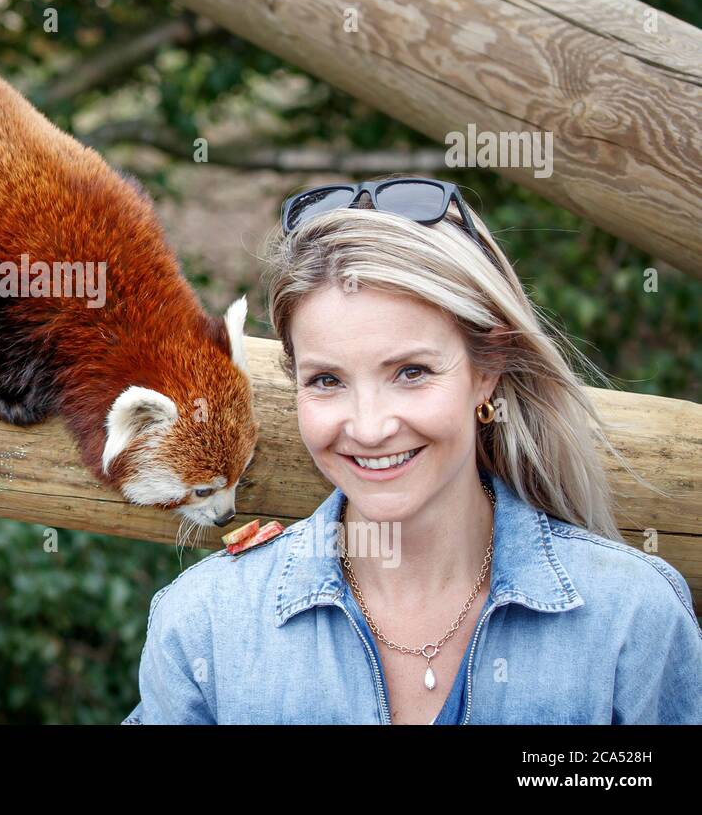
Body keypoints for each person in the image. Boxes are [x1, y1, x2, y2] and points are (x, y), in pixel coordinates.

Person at [122, 178, 702, 724]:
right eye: (327, 380)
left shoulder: (631, 618)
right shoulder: (203, 626)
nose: (370, 428)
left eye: (411, 372)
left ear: (487, 371)